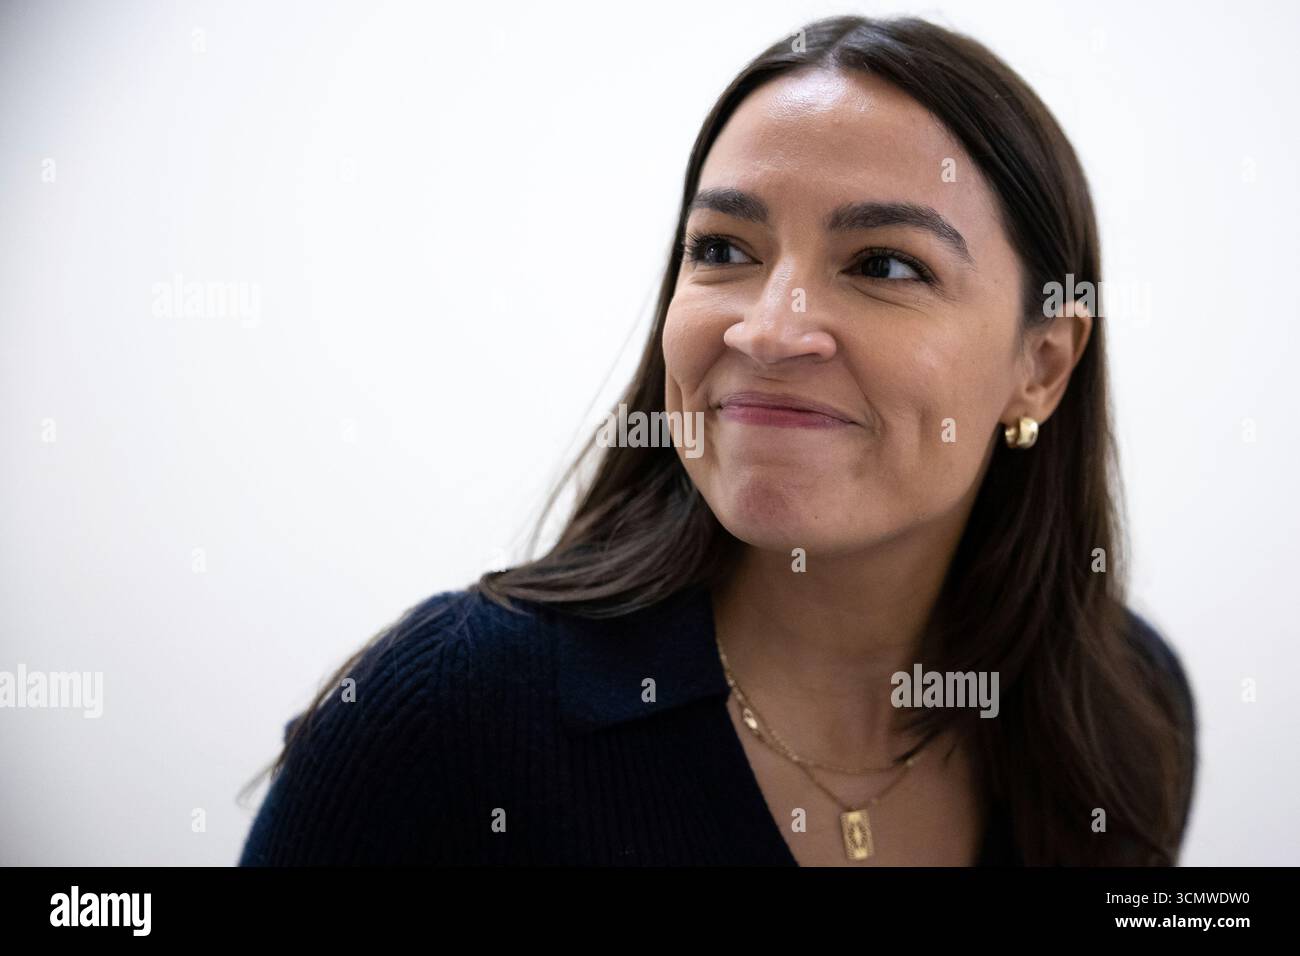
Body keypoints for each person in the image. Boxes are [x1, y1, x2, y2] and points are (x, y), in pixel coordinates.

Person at [238, 14, 1197, 867]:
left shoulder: (1125, 714)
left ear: (1041, 365)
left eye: (886, 264)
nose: (770, 329)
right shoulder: (447, 717)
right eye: (725, 251)